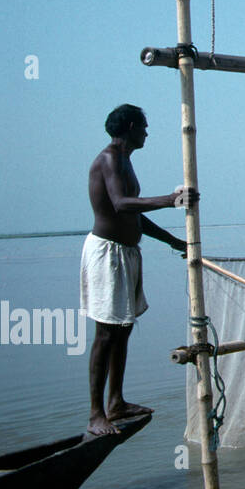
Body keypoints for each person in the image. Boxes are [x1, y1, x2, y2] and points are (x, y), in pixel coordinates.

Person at [84, 103, 197, 436]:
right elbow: (120, 205)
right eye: (144, 127)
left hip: (127, 253)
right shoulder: (108, 159)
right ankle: (95, 413)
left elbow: (134, 216)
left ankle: (116, 401)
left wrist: (173, 241)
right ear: (131, 127)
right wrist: (170, 199)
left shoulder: (124, 161)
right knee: (105, 333)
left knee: (123, 329)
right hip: (107, 254)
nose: (147, 133)